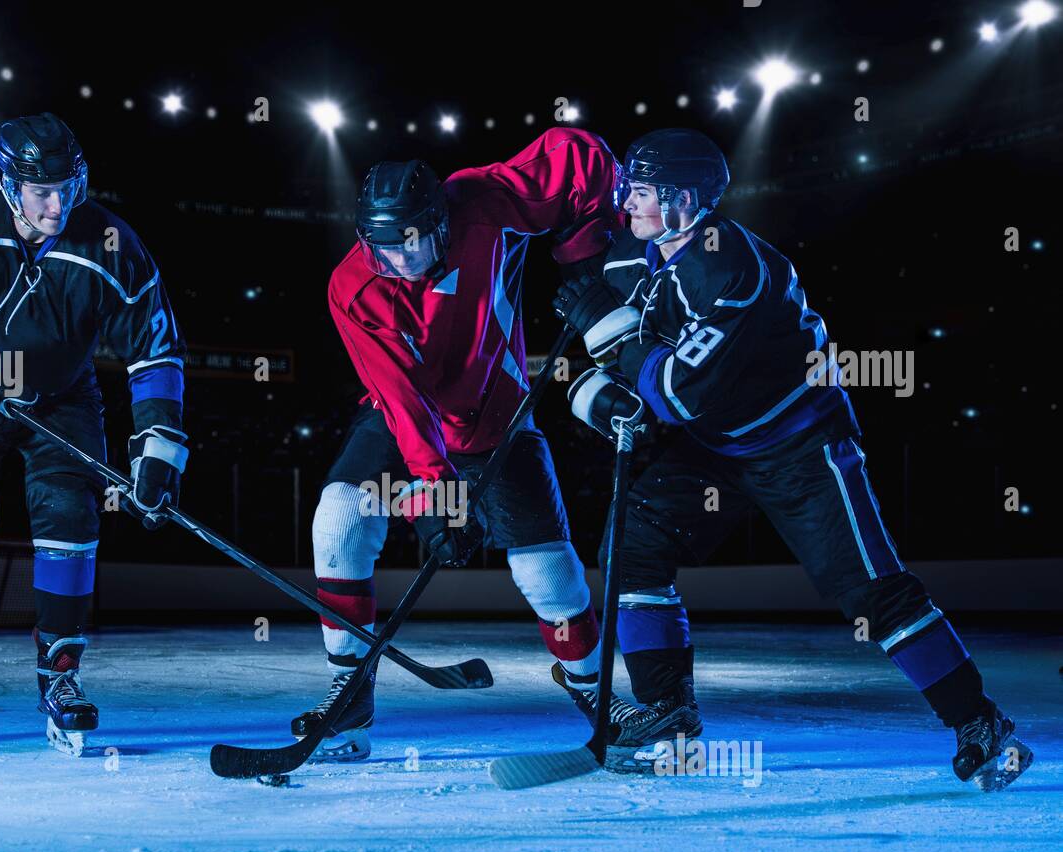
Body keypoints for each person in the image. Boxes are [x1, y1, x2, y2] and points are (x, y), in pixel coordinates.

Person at [554, 128, 1031, 788]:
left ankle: (983, 725)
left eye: (639, 191)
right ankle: (670, 718)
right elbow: (636, 369)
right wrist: (597, 393)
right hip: (717, 446)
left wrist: (607, 339)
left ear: (684, 200)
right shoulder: (637, 253)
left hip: (799, 446)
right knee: (631, 548)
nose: (624, 202)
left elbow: (676, 393)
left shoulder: (736, 270)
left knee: (872, 594)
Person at [296, 127, 635, 762]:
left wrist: (584, 260)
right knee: (338, 516)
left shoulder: (482, 202)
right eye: (380, 247)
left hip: (500, 413)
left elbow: (579, 157)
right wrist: (436, 501)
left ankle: (593, 687)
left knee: (549, 573)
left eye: (409, 243)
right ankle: (351, 683)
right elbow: (401, 401)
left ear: (439, 223)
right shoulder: (352, 286)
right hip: (408, 421)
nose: (396, 262)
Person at [0, 112, 187, 753]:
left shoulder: (111, 243)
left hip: (60, 401)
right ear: (8, 183)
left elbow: (155, 349)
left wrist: (158, 446)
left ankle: (60, 674)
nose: (57, 204)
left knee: (71, 531)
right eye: (40, 191)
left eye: (68, 186)